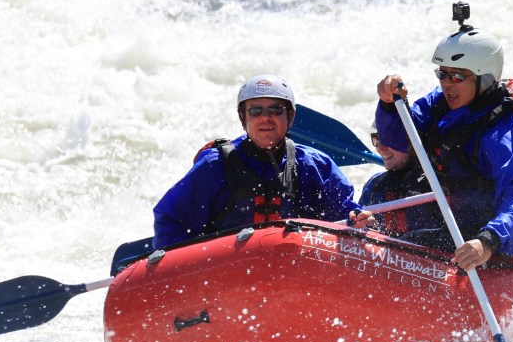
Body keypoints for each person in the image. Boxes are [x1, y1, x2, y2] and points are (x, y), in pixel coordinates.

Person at [374, 21, 513, 271]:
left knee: (408, 247)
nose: (446, 83)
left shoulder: (506, 132)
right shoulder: (441, 102)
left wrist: (488, 241)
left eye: (456, 76)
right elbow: (399, 138)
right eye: (442, 74)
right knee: (390, 215)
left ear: (484, 78)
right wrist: (390, 103)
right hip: (467, 221)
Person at [153, 75, 365, 249]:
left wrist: (358, 220)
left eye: (275, 110)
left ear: (290, 117)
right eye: (255, 111)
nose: (266, 118)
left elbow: (345, 217)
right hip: (226, 273)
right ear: (243, 118)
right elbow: (171, 220)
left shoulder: (315, 166)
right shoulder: (215, 166)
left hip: (295, 269)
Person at [357, 126, 438, 237]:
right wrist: (365, 222)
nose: (380, 147)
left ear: (413, 144)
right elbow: (357, 227)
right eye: (377, 138)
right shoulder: (375, 183)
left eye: (389, 139)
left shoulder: (437, 184)